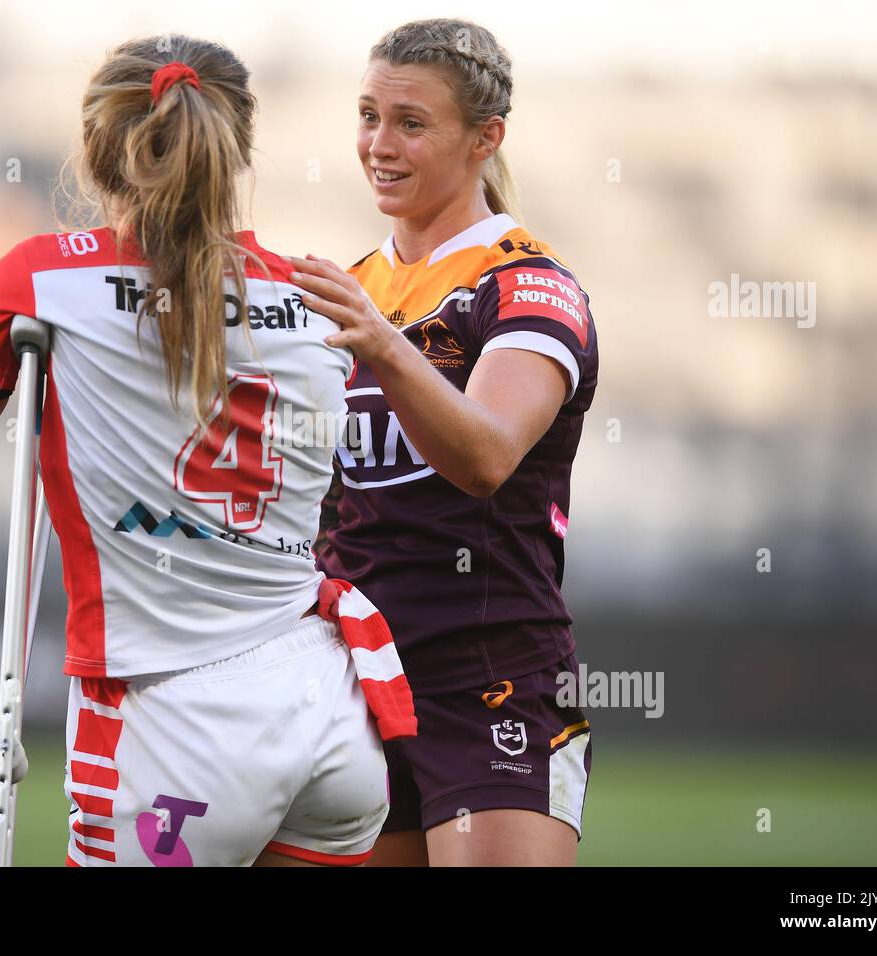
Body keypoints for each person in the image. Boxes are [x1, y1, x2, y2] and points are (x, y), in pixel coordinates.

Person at [0, 35, 414, 868]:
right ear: (238, 150)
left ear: (97, 153)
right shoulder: (322, 296)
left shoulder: (43, 278)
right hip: (331, 711)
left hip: (174, 727)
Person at [289, 18, 598, 866]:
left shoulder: (526, 285)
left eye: (410, 123)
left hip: (491, 678)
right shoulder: (352, 287)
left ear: (484, 138)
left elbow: (486, 456)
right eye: (367, 116)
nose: (377, 144)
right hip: (353, 674)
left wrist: (383, 346)